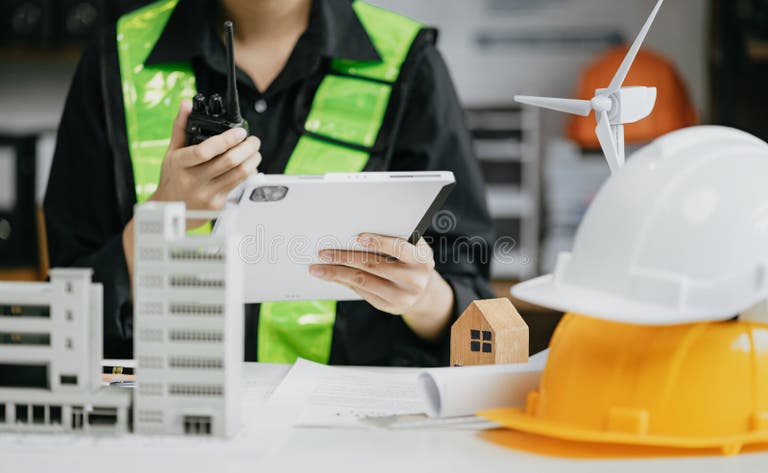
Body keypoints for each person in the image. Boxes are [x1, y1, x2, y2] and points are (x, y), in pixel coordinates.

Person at [44, 0, 495, 366]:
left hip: (347, 431)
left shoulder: (408, 63)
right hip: (166, 426)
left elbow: (471, 298)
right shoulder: (118, 57)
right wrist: (164, 216)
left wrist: (422, 297)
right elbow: (63, 310)